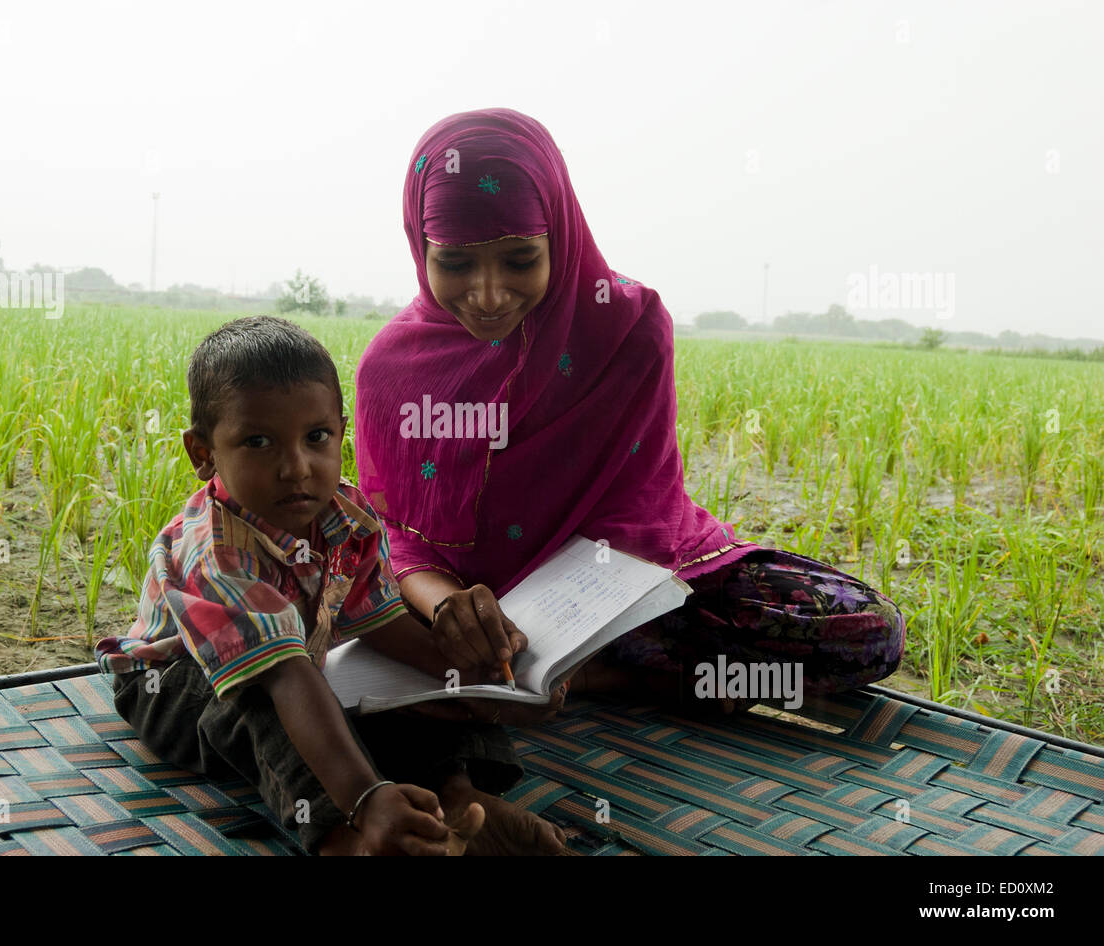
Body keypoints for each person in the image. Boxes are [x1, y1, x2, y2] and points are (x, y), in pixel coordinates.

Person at [354, 108, 906, 716]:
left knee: (870, 633)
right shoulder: (391, 368)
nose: (487, 295)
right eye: (455, 263)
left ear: (559, 237)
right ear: (420, 244)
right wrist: (447, 607)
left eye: (519, 260)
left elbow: (638, 507)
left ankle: (591, 679)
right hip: (467, 617)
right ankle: (565, 670)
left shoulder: (626, 329)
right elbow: (392, 537)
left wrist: (587, 620)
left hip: (618, 594)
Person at [95, 316, 567, 855]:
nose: (296, 467)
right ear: (203, 455)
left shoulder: (348, 517)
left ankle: (454, 797)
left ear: (342, 431)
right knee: (269, 701)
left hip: (298, 667)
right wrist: (365, 797)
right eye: (258, 441)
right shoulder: (217, 550)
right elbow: (286, 676)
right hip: (177, 685)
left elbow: (386, 624)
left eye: (316, 437)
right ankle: (347, 834)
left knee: (405, 687)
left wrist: (491, 681)